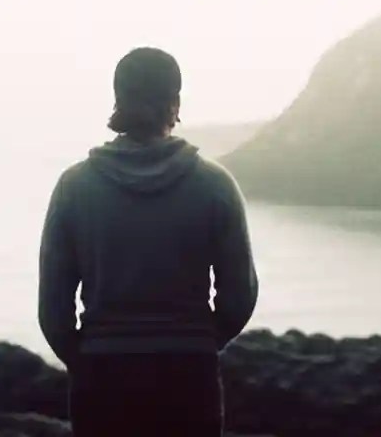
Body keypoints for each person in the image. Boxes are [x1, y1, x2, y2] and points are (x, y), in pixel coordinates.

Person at [38, 47, 259, 437]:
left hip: (103, 377)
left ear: (118, 100)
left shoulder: (74, 186)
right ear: (175, 102)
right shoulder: (214, 185)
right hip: (188, 376)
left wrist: (85, 359)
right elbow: (240, 296)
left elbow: (53, 309)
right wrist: (198, 341)